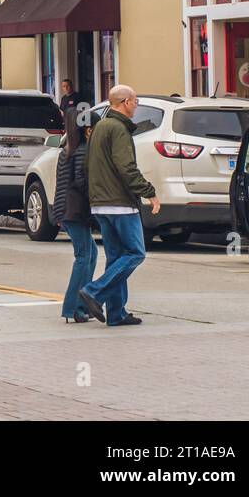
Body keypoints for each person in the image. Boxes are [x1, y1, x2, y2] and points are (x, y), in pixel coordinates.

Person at [79, 85, 158, 326]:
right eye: (135, 101)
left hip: (100, 204)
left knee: (115, 259)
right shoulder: (119, 128)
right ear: (125, 102)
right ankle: (94, 291)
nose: (136, 105)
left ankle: (116, 314)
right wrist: (149, 192)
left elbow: (86, 166)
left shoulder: (100, 127)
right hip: (120, 204)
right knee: (135, 253)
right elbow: (127, 167)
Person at [55, 116, 97, 323]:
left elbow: (60, 184)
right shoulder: (82, 151)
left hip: (66, 210)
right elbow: (82, 182)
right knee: (83, 257)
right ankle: (73, 308)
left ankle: (81, 305)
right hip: (76, 211)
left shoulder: (67, 150)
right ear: (88, 130)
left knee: (90, 254)